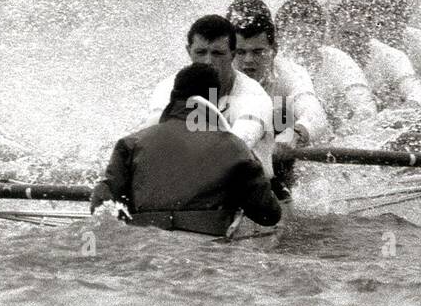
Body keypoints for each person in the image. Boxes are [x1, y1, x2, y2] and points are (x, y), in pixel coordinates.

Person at [93, 63, 282, 235]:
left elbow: (101, 202)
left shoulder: (130, 143)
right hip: (205, 246)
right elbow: (268, 214)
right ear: (215, 101)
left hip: (144, 242)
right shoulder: (234, 147)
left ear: (172, 96)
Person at [145, 14, 275, 175]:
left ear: (233, 54)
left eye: (217, 53)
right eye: (201, 52)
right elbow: (151, 139)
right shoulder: (167, 87)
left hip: (246, 181)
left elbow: (236, 148)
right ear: (189, 52)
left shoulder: (254, 97)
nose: (208, 61)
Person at [225, 0, 330, 147]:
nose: (248, 60)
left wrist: (296, 134)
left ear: (274, 50)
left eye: (257, 52)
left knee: (281, 117)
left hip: (278, 143)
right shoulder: (213, 73)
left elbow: (315, 116)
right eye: (240, 52)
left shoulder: (291, 73)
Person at [273, 0, 378, 127]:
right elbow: (282, 130)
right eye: (292, 34)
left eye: (308, 34)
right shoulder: (276, 68)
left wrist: (352, 131)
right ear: (279, 37)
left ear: (321, 35)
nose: (301, 42)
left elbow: (365, 108)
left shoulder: (337, 60)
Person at [325, 0, 421, 110]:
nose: (352, 42)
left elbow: (417, 93)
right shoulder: (325, 58)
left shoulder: (391, 56)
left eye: (358, 34)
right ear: (333, 33)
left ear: (370, 30)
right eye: (346, 35)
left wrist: (409, 107)